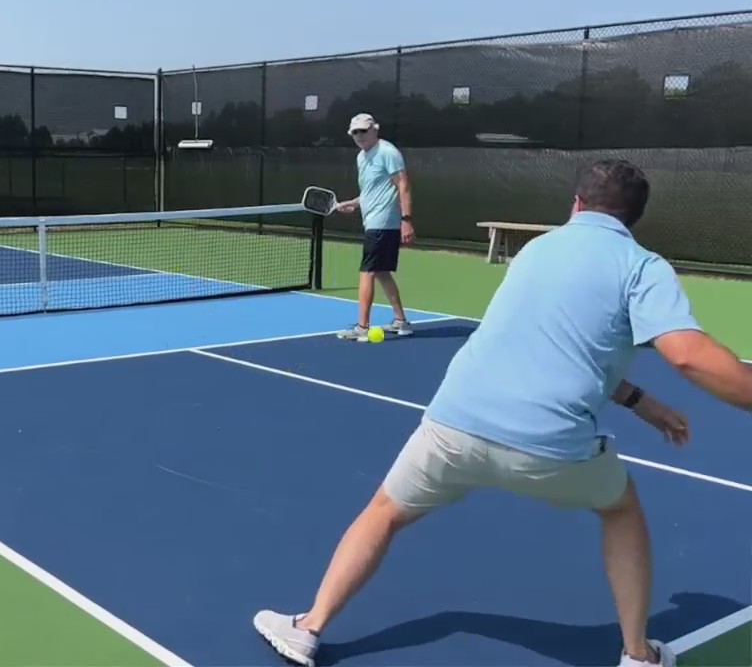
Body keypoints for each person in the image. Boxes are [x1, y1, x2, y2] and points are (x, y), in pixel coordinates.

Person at [252, 159, 752, 667]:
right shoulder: (643, 266)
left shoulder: (536, 250)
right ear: (632, 220)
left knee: (383, 513)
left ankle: (309, 627)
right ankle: (638, 655)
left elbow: (554, 348)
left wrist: (642, 403)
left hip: (452, 426)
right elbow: (686, 353)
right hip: (552, 450)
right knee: (620, 508)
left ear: (576, 204)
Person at [333, 113, 415, 341]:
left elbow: (403, 185)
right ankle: (401, 321)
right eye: (355, 132)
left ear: (374, 130)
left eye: (363, 131)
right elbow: (372, 191)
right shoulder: (362, 157)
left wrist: (406, 220)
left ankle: (362, 327)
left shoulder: (388, 152)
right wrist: (355, 203)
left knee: (367, 271)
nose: (359, 136)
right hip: (373, 221)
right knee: (380, 271)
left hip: (383, 222)